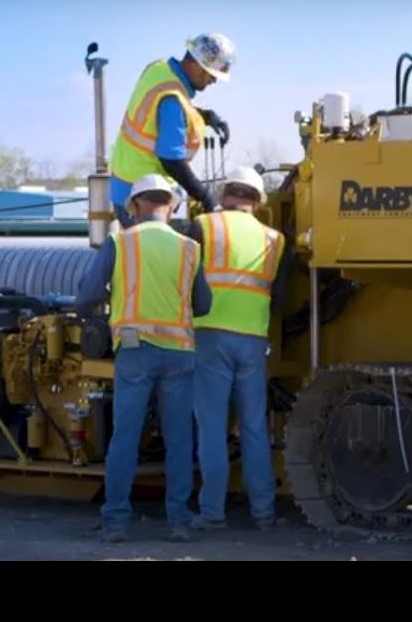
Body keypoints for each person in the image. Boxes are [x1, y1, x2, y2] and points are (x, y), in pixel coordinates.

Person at [74, 173, 213, 543]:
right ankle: (179, 521)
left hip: (135, 352)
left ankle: (116, 522)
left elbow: (87, 297)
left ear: (134, 207)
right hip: (180, 353)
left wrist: (101, 313)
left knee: (125, 436)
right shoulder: (189, 248)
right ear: (172, 207)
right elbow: (204, 304)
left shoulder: (120, 241)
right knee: (180, 439)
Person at [185, 166, 293, 531]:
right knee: (254, 426)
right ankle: (263, 512)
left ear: (226, 194)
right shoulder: (274, 239)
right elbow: (279, 301)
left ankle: (212, 514)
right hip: (253, 340)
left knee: (213, 426)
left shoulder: (204, 226)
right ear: (259, 201)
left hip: (210, 334)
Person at [107, 32, 237, 229]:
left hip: (125, 184)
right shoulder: (173, 100)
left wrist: (206, 116)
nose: (213, 82)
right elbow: (172, 160)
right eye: (211, 76)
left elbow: (159, 115)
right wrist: (205, 196)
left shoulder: (158, 70)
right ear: (197, 66)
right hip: (144, 198)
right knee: (151, 257)